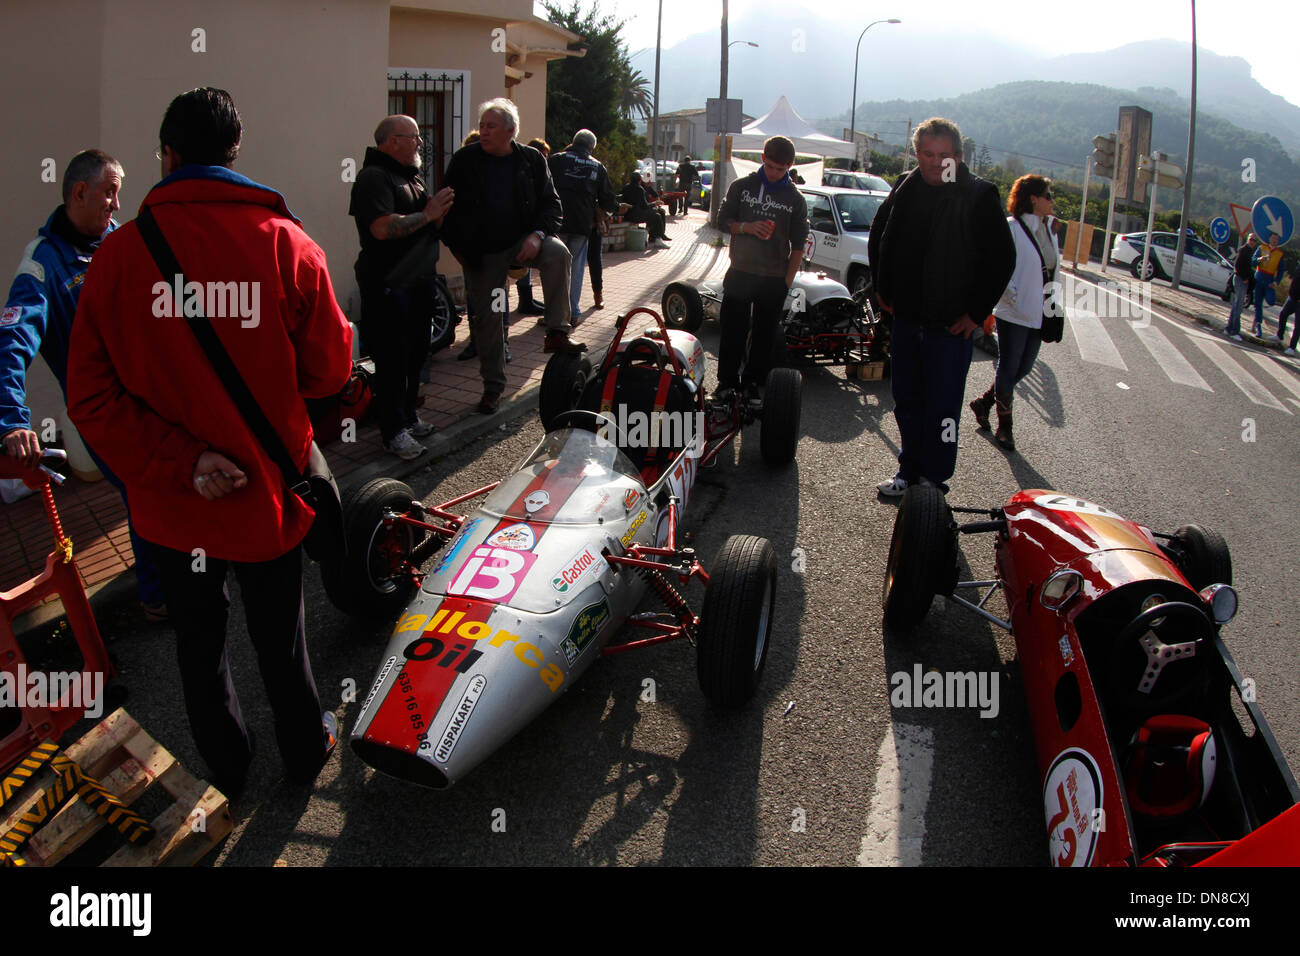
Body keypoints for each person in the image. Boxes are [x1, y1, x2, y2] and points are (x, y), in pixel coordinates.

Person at [66, 88, 352, 794]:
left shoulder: (117, 258)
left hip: (174, 507)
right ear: (235, 149)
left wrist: (184, 460)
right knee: (281, 642)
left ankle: (227, 765)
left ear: (167, 155)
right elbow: (331, 369)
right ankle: (304, 752)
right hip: (267, 500)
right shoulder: (289, 244)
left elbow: (89, 399)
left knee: (198, 647)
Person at [0, 150, 168, 622]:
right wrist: (11, 422)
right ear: (79, 192)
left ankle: (183, 572)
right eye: (110, 192)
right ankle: (157, 597)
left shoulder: (117, 241)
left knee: (168, 483)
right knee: (144, 490)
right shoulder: (43, 264)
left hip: (151, 399)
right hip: (105, 414)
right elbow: (12, 341)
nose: (117, 203)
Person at [867, 117, 1016, 496]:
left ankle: (934, 480)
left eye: (944, 155)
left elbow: (1002, 260)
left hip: (949, 326)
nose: (935, 163)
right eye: (927, 154)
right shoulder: (905, 185)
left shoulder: (979, 195)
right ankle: (908, 469)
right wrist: (881, 288)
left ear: (959, 156)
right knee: (906, 402)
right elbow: (879, 234)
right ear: (916, 154)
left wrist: (976, 311)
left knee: (943, 410)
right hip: (906, 318)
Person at [442, 99, 584, 415]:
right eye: (482, 125)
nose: (484, 131)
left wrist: (537, 235)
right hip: (483, 252)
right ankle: (493, 389)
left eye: (491, 126)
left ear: (510, 130)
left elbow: (551, 204)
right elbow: (446, 208)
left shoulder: (531, 159)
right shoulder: (465, 160)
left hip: (524, 240)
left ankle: (557, 331)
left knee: (558, 252)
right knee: (491, 318)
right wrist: (459, 251)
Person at [349, 114, 454, 460]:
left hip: (419, 282)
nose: (420, 142)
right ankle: (392, 432)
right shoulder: (372, 178)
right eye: (414, 136)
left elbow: (425, 222)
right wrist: (427, 214)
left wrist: (439, 213)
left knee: (415, 355)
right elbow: (382, 228)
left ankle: (408, 417)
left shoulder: (410, 176)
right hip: (388, 286)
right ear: (392, 141)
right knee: (391, 359)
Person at [970, 175, 1059, 452]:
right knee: (1009, 367)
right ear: (1033, 198)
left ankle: (984, 402)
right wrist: (1012, 296)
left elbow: (1054, 270)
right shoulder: (1013, 228)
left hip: (1040, 311)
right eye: (1048, 195)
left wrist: (1054, 304)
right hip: (1014, 313)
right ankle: (1005, 427)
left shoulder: (1050, 230)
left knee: (1024, 367)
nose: (1052, 200)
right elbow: (996, 263)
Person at [715, 135, 809, 400]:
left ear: (790, 167)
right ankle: (727, 382)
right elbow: (722, 221)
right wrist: (746, 227)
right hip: (741, 272)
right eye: (771, 167)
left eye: (782, 170)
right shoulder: (742, 186)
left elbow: (799, 244)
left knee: (764, 337)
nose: (776, 173)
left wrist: (786, 282)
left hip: (773, 279)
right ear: (762, 159)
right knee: (733, 330)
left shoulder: (795, 198)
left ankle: (752, 383)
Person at [549, 129, 619, 318]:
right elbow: (609, 200)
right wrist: (603, 212)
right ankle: (572, 311)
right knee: (576, 268)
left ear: (574, 142)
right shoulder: (597, 166)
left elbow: (541, 187)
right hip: (582, 225)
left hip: (557, 223)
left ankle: (554, 313)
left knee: (555, 268)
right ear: (591, 147)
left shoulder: (556, 160)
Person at [621, 170, 670, 248]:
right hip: (636, 215)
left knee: (656, 213)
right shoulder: (639, 189)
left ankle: (655, 236)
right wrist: (655, 203)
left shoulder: (626, 187)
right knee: (656, 215)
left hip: (628, 214)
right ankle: (658, 239)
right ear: (640, 180)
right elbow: (645, 206)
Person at [1225, 232, 1258, 342]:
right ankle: (1234, 331)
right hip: (1240, 280)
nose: (1253, 241)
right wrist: (1244, 277)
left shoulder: (1249, 251)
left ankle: (1229, 329)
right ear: (1248, 239)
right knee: (1239, 306)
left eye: (1254, 240)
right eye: (1251, 239)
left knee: (1236, 305)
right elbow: (1238, 265)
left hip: (1241, 279)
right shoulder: (1245, 250)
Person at [1252, 232, 1284, 337]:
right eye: (1273, 238)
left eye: (1276, 239)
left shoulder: (1279, 253)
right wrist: (1259, 259)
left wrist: (1276, 282)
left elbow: (1281, 271)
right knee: (1257, 304)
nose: (1274, 240)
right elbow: (1252, 261)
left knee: (1271, 301)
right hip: (1259, 276)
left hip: (1269, 279)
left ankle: (1261, 313)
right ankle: (1259, 327)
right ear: (1269, 238)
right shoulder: (1262, 247)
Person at [1277, 276, 1300, 355]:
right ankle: (1279, 336)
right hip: (1292, 298)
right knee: (1283, 314)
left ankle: (1292, 348)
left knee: (1298, 326)